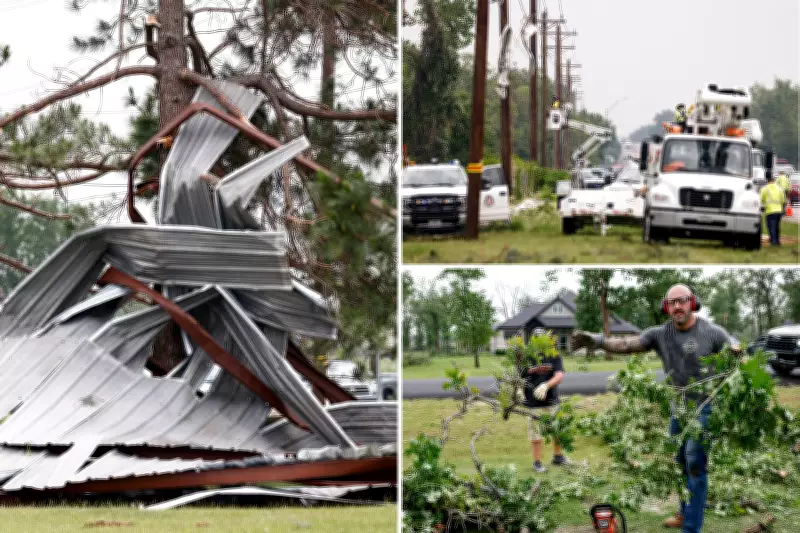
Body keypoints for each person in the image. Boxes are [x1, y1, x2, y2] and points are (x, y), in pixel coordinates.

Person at [570, 284, 741, 533]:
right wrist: (598, 341)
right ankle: (684, 513)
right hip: (678, 408)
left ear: (692, 302)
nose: (677, 307)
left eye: (682, 301)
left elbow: (734, 347)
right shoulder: (659, 334)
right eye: (672, 303)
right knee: (680, 462)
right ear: (666, 307)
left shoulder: (711, 332)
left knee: (694, 463)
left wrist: (737, 351)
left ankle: (691, 528)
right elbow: (627, 344)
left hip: (705, 407)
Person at [520, 334, 570, 473]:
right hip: (533, 402)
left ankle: (558, 457)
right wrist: (518, 390)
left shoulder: (554, 355)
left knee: (557, 430)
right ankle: (537, 462)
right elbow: (519, 376)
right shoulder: (527, 357)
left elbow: (559, 375)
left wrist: (546, 385)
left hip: (552, 400)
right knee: (536, 434)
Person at [761, 173, 785, 246]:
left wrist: (762, 208)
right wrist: (783, 209)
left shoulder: (764, 189)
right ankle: (777, 241)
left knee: (771, 226)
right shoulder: (780, 188)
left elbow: (761, 200)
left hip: (770, 211)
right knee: (777, 226)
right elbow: (783, 201)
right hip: (779, 211)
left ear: (767, 180)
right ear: (774, 179)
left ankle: (773, 242)